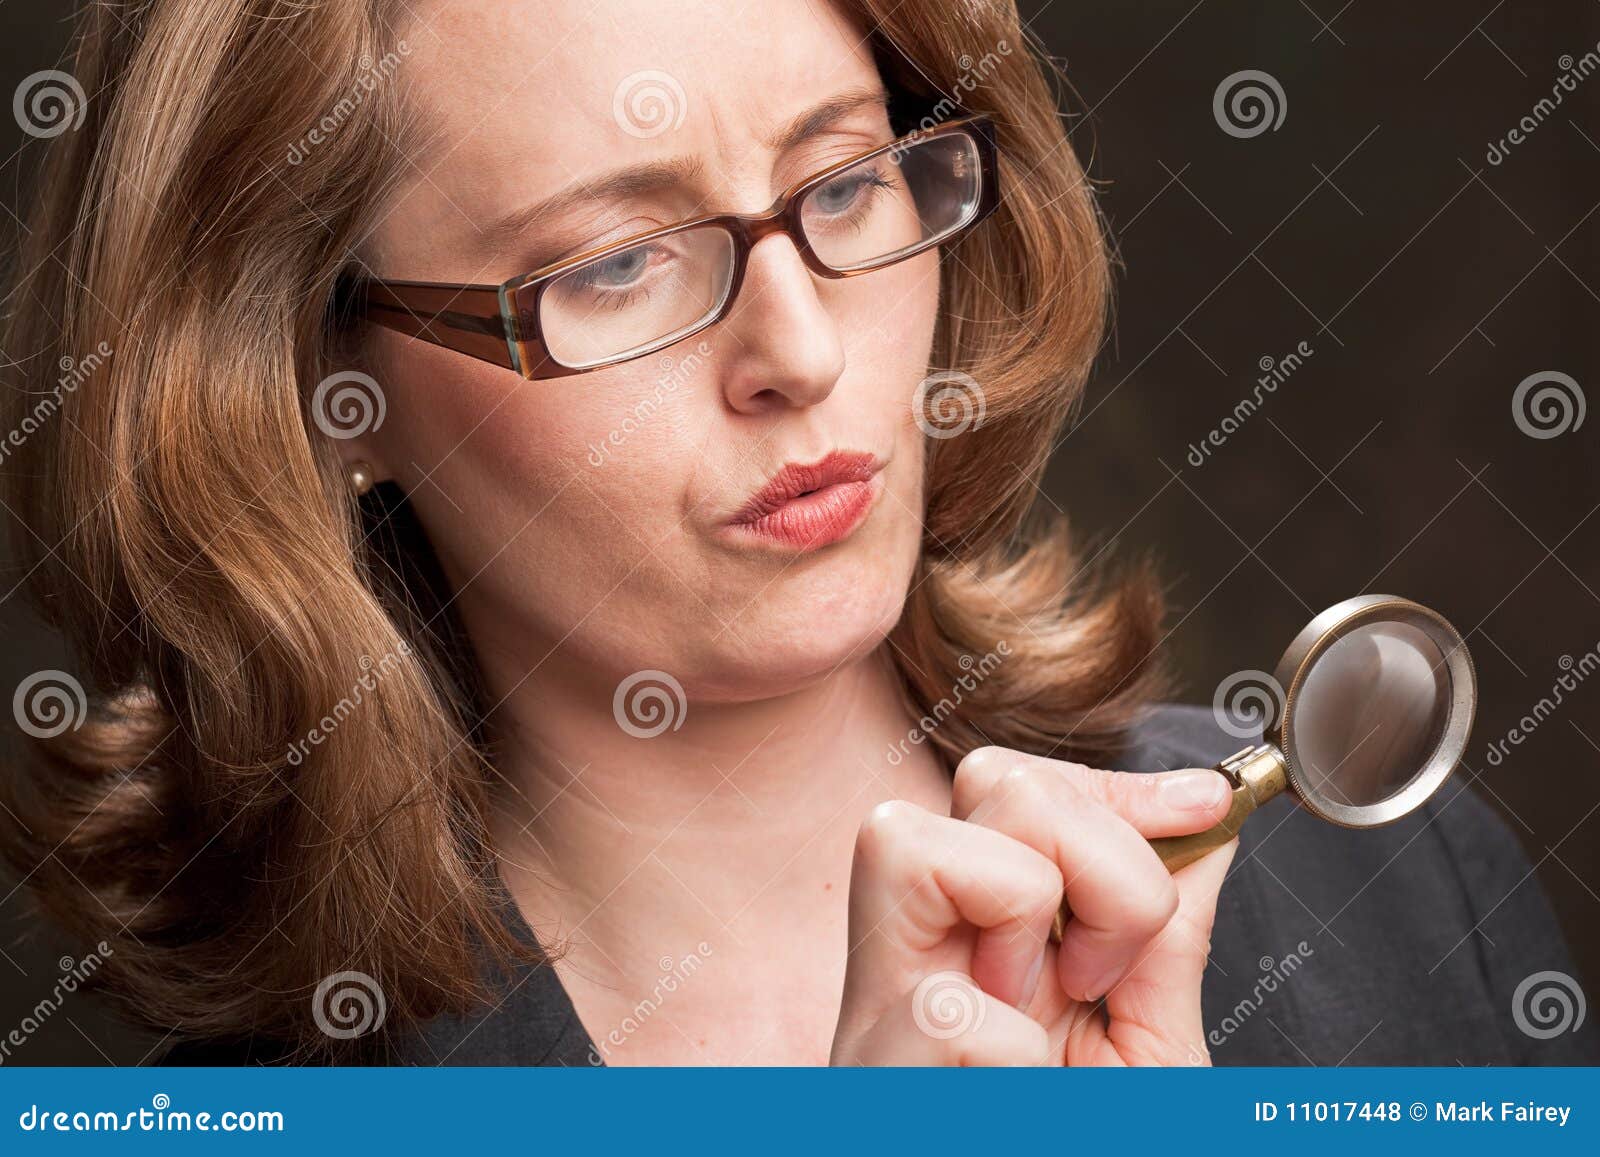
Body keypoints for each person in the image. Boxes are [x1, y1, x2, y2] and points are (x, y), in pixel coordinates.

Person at [2, 0, 1591, 1067]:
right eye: (617, 263)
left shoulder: (1390, 887)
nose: (804, 352)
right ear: (321, 387)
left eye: (845, 185)